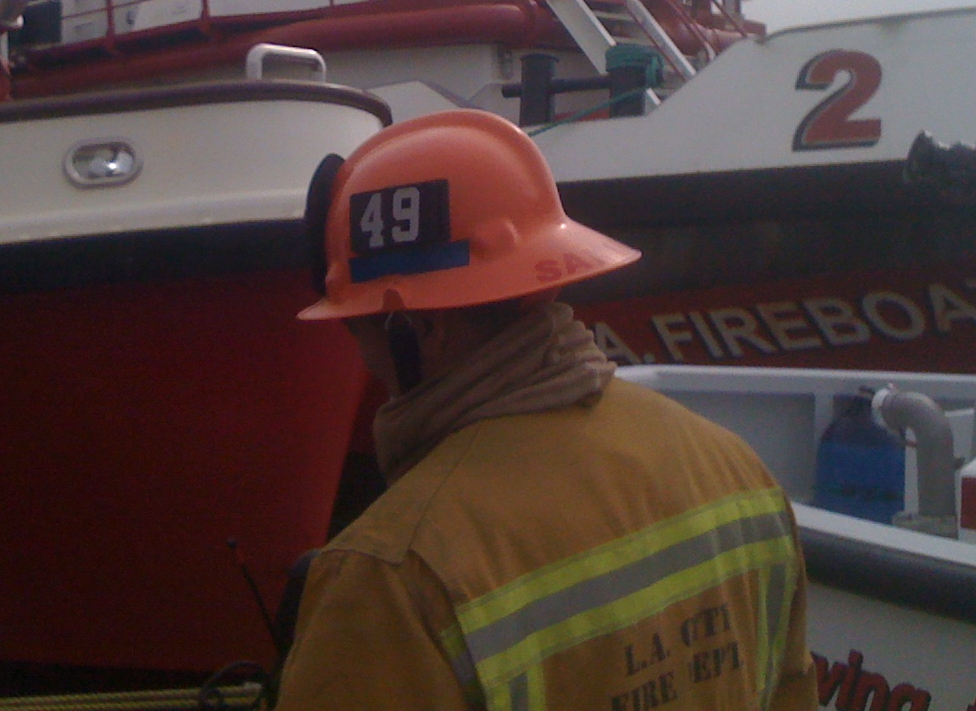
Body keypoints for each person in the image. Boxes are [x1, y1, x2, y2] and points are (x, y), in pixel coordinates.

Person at [276, 109, 813, 711]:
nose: (364, 359)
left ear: (418, 330)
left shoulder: (391, 576)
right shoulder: (738, 471)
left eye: (359, 328)